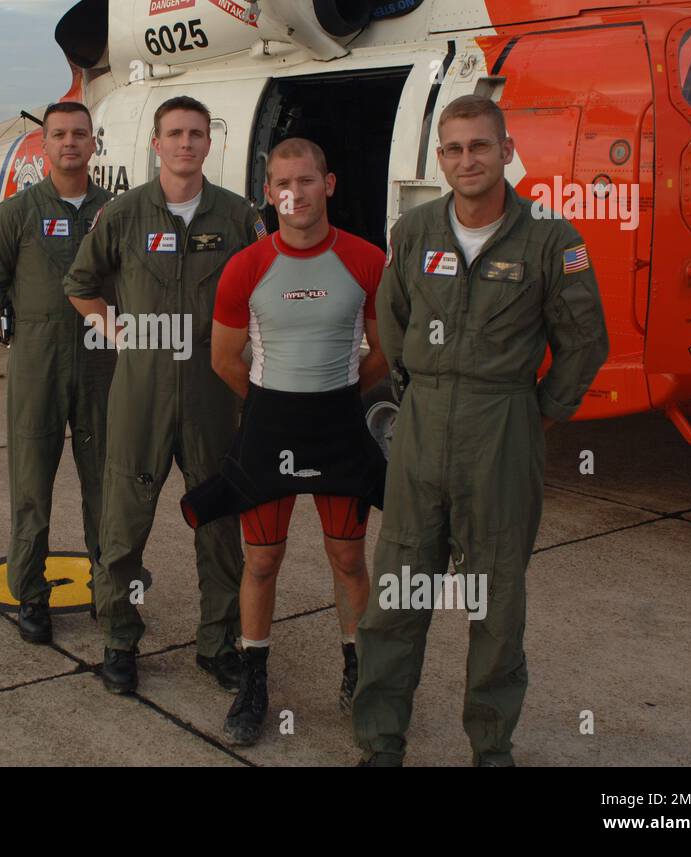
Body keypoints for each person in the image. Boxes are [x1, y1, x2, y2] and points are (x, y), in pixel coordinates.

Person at [353, 94, 609, 766]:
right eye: (454, 148)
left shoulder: (551, 236)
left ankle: (492, 744)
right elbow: (395, 321)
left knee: (495, 600)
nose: (467, 159)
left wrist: (539, 411)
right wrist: (416, 395)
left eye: (480, 146)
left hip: (503, 426)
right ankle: (380, 737)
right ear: (439, 158)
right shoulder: (414, 233)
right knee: (397, 589)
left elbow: (585, 341)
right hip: (422, 427)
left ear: (505, 149)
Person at [180, 138, 388, 745]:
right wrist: (277, 406)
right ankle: (254, 680)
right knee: (263, 561)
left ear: (329, 184)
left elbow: (385, 352)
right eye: (281, 183)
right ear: (268, 194)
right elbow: (223, 359)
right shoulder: (247, 266)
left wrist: (335, 397)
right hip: (270, 432)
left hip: (340, 428)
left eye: (306, 179)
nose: (293, 192)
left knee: (349, 558)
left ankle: (358, 673)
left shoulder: (367, 260)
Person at [64, 96, 267, 695]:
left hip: (213, 393)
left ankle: (219, 643)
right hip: (141, 393)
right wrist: (113, 330)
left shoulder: (238, 217)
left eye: (196, 134)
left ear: (210, 143)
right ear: (156, 144)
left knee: (220, 525)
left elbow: (264, 288)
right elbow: (80, 284)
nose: (185, 143)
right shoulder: (123, 214)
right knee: (125, 527)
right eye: (174, 133)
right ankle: (120, 642)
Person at [0, 101, 114, 644]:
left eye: (80, 133)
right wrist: (19, 336)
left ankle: (110, 590)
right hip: (38, 366)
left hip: (104, 365)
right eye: (59, 134)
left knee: (107, 485)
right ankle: (31, 594)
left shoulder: (116, 212)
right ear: (46, 145)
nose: (70, 142)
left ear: (93, 143)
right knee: (31, 486)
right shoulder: (19, 211)